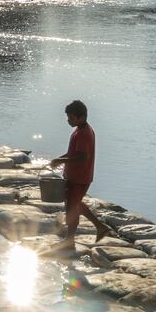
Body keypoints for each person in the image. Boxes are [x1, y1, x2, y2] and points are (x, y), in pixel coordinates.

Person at [48, 100, 110, 243]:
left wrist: (61, 161)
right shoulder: (79, 130)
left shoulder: (85, 134)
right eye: (68, 117)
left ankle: (69, 241)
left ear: (81, 117)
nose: (68, 120)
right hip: (73, 176)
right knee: (74, 204)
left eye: (71, 118)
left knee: (72, 208)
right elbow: (73, 153)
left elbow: (82, 157)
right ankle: (100, 227)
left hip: (80, 177)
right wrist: (59, 159)